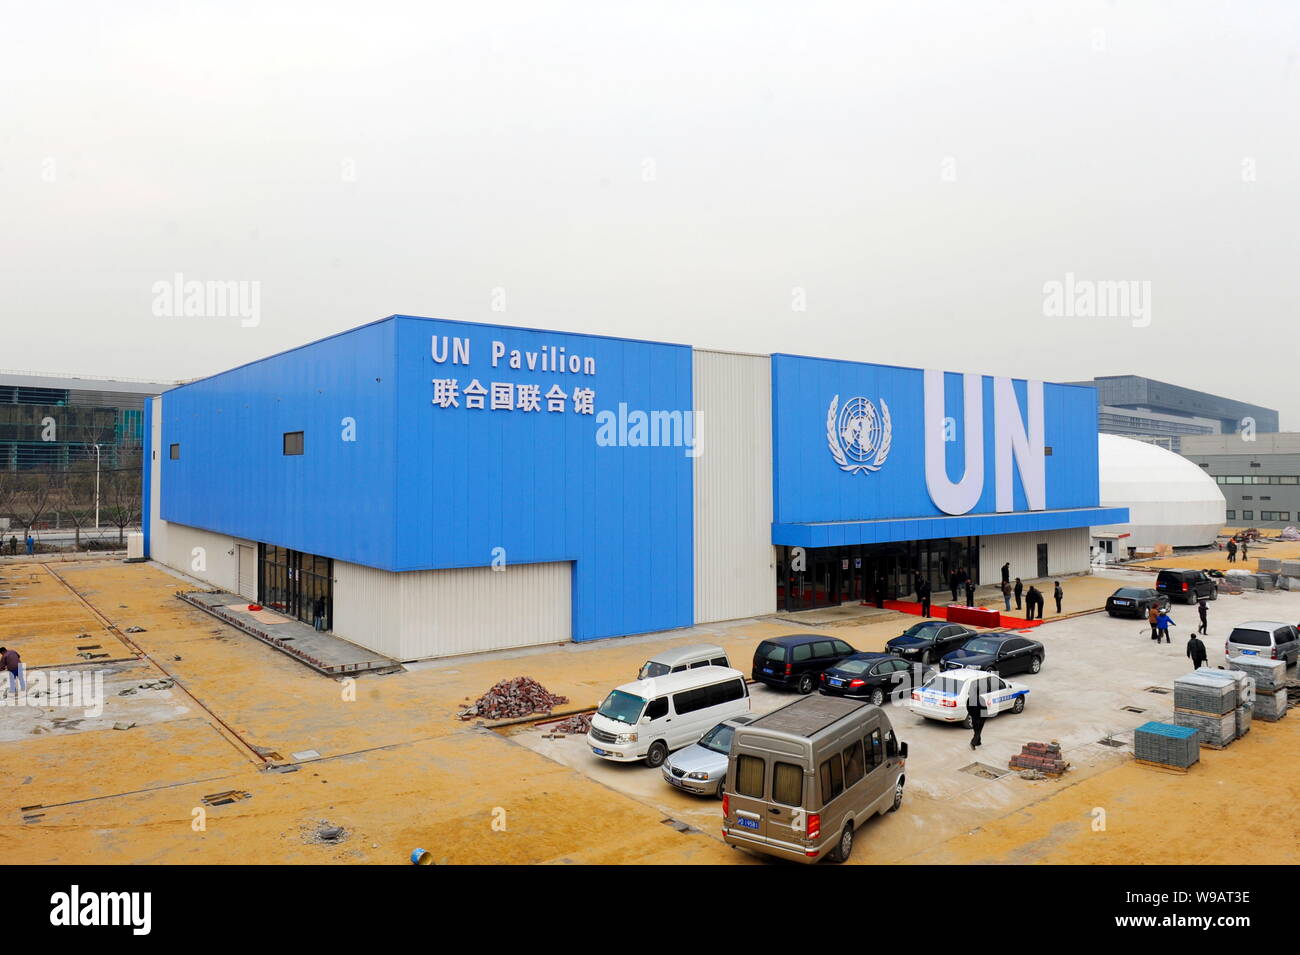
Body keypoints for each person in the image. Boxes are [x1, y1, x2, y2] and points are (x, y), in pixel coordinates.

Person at [967, 677, 988, 750]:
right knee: (978, 732)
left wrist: (971, 714)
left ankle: (978, 742)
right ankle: (973, 743)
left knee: (976, 730)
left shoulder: (970, 699)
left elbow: (968, 708)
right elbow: (985, 709)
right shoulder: (981, 699)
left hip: (973, 718)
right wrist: (984, 718)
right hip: (980, 718)